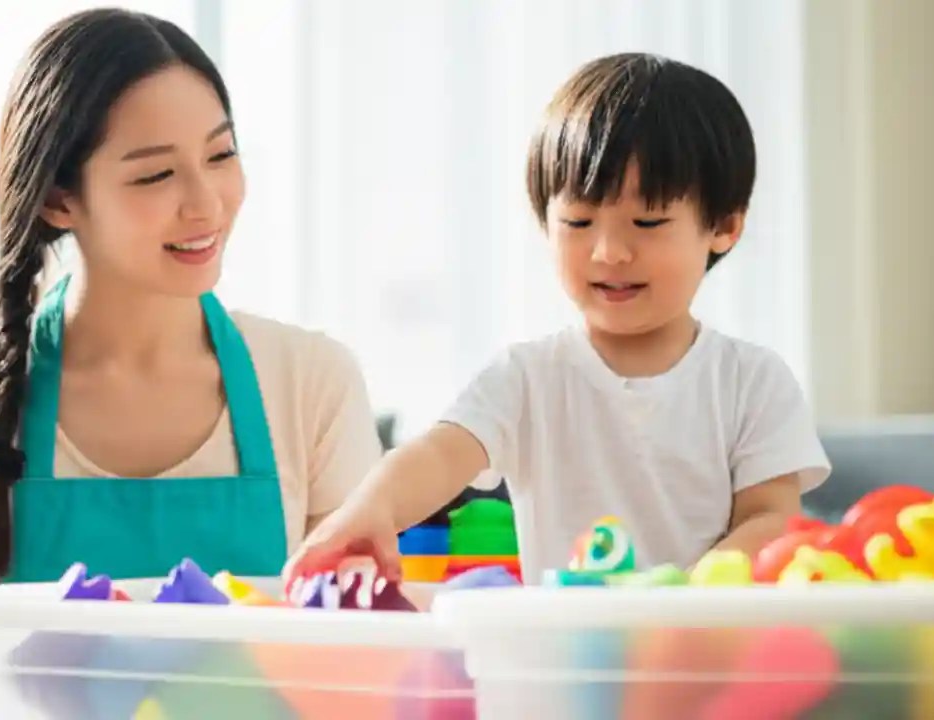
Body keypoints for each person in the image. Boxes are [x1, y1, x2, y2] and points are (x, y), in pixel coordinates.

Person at [0, 9, 381, 718]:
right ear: (60, 198)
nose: (206, 203)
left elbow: (349, 675)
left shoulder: (313, 383)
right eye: (155, 176)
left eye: (220, 155)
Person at [285, 53, 831, 587]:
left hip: (706, 650)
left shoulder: (752, 379)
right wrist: (370, 508)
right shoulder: (526, 376)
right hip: (566, 656)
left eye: (647, 221)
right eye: (578, 220)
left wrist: (677, 602)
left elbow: (770, 518)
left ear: (724, 227)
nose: (609, 252)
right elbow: (441, 452)